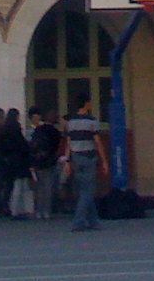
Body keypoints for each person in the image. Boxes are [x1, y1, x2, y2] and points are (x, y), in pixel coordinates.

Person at [64, 93, 107, 232]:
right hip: (89, 157)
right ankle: (78, 221)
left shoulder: (71, 122)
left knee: (84, 189)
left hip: (76, 157)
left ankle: (93, 220)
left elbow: (68, 143)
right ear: (86, 104)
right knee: (87, 191)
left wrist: (67, 161)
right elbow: (97, 142)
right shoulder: (92, 121)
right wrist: (104, 160)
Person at [0, 108, 31, 218]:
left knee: (3, 185)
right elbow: (21, 144)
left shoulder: (2, 129)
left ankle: (3, 208)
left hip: (5, 159)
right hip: (16, 160)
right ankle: (13, 209)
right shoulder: (15, 128)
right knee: (14, 185)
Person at [27, 106, 63, 220]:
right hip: (49, 161)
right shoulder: (55, 132)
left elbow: (32, 145)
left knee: (40, 187)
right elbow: (56, 147)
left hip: (38, 161)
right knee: (48, 186)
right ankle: (46, 211)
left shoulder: (38, 129)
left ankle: (39, 211)